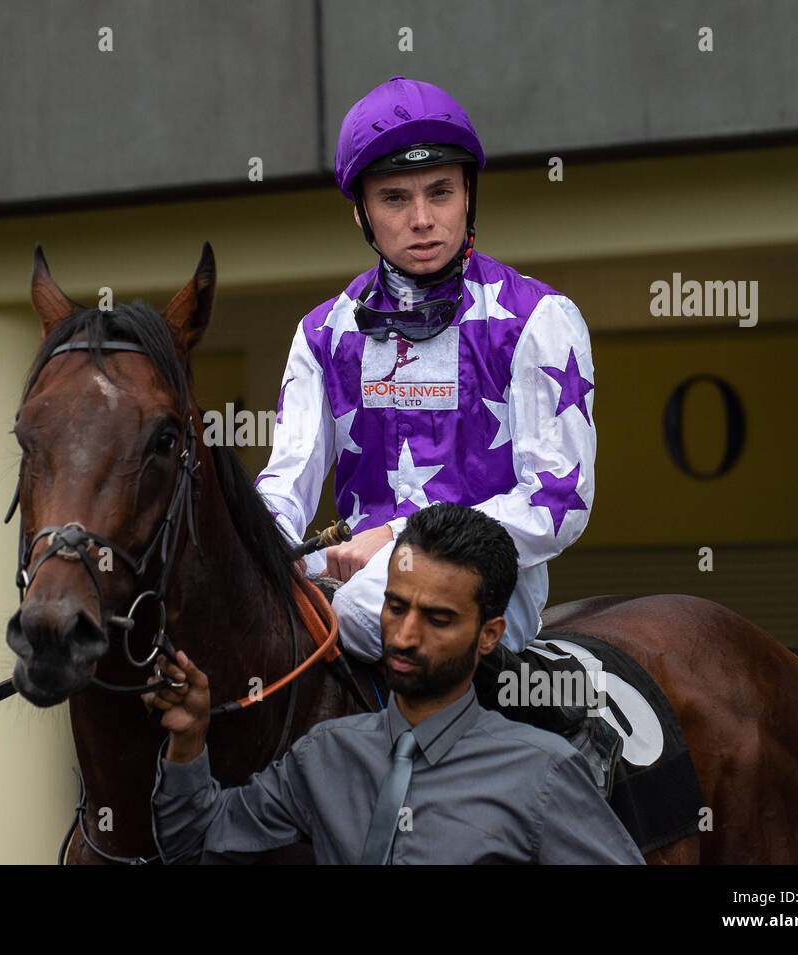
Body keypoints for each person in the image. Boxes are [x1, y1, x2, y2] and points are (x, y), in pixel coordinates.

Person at [254, 75, 621, 793]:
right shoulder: (322, 333)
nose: (422, 219)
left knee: (369, 611)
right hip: (346, 583)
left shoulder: (538, 318)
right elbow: (285, 482)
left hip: (485, 584)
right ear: (363, 214)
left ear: (468, 196)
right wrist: (265, 557)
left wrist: (398, 542)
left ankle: (560, 733)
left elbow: (559, 501)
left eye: (440, 192)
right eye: (395, 198)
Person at [149, 503, 644, 864]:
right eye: (396, 607)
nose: (405, 637)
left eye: (439, 619)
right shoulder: (323, 756)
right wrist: (189, 739)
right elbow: (194, 842)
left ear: (489, 635)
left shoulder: (544, 774)